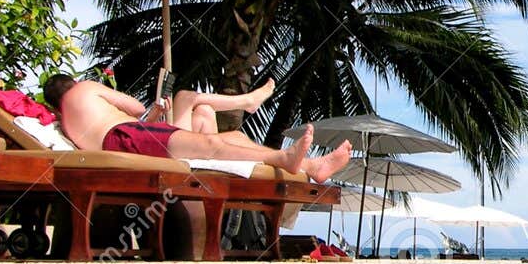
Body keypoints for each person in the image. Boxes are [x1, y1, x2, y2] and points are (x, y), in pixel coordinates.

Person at [41, 73, 352, 180]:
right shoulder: (84, 89)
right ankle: (283, 158)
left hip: (129, 139)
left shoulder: (65, 121)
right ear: (73, 83)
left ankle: (312, 166)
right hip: (128, 137)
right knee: (209, 146)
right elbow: (135, 108)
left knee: (232, 134)